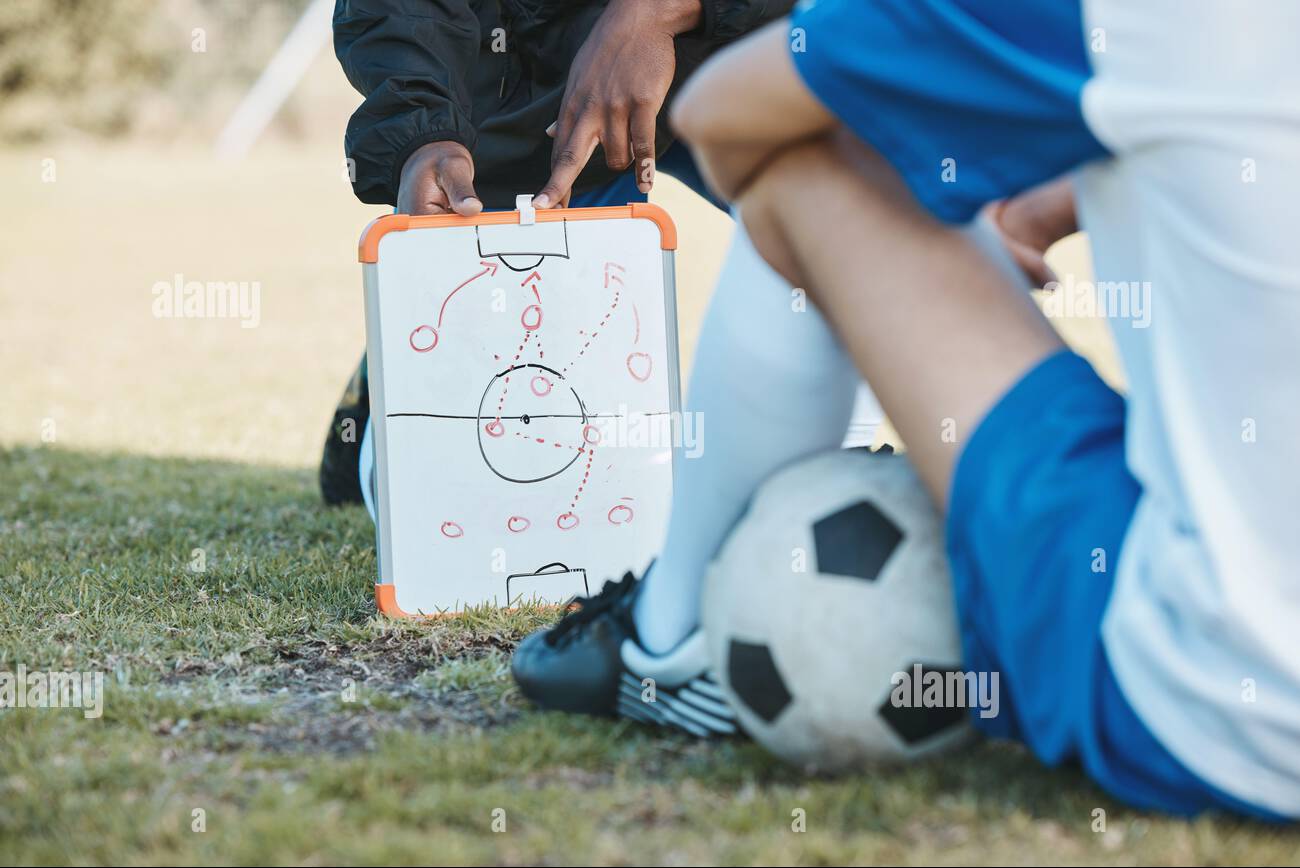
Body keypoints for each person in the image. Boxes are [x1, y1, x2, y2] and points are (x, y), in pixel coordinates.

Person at [512, 0, 1300, 820]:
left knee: (811, 148)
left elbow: (722, 115)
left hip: (1241, 713)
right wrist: (1042, 193)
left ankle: (670, 641)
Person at [319, 0, 811, 504]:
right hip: (533, 121)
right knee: (519, 444)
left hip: (739, 41)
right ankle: (386, 375)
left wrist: (659, 11)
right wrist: (424, 132)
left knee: (844, 215)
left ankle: (837, 460)